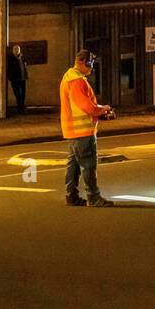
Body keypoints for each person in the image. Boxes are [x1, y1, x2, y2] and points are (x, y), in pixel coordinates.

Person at [59, 50, 115, 207]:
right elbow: (87, 107)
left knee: (73, 166)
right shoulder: (77, 81)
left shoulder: (68, 78)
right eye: (90, 64)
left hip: (72, 131)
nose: (92, 68)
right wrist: (102, 109)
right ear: (83, 62)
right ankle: (94, 197)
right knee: (88, 165)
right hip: (83, 131)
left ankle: (71, 196)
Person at [6, 44, 29, 115]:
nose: (17, 50)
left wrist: (25, 75)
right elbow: (8, 69)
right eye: (15, 49)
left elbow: (25, 66)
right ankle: (20, 108)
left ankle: (22, 108)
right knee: (18, 94)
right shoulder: (10, 58)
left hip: (22, 78)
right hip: (14, 79)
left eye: (18, 49)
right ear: (13, 50)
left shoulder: (22, 57)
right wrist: (10, 77)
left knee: (23, 94)